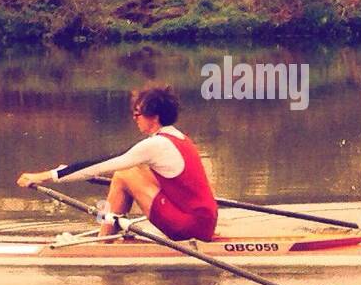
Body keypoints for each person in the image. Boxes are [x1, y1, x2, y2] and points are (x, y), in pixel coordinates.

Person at [17, 85, 219, 242]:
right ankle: (108, 232)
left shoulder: (156, 145)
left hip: (188, 227)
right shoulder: (179, 138)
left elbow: (101, 164)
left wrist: (45, 176)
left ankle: (102, 242)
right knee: (133, 170)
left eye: (138, 113)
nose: (134, 118)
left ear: (154, 117)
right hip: (204, 223)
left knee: (123, 175)